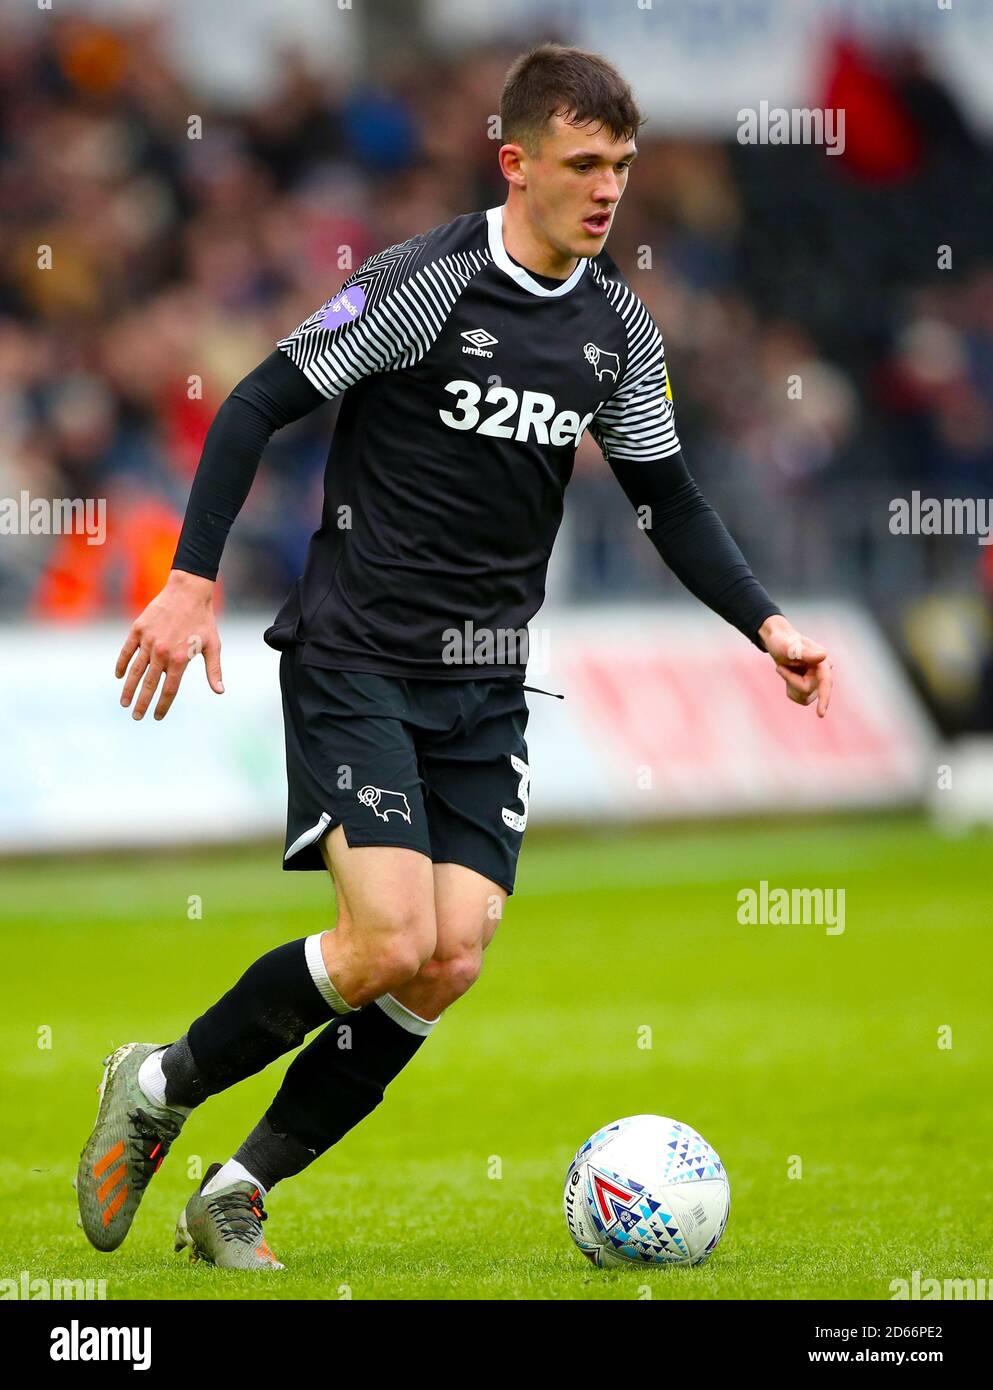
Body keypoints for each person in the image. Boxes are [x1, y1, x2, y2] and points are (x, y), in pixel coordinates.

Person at [76, 43, 832, 1269]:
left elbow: (670, 498)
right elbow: (258, 399)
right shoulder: (429, 283)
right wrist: (190, 578)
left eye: (624, 168)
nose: (607, 191)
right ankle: (157, 1083)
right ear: (516, 161)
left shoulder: (617, 331)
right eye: (584, 165)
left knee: (449, 960)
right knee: (385, 941)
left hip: (487, 685)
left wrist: (768, 624)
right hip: (358, 652)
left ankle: (237, 1193)